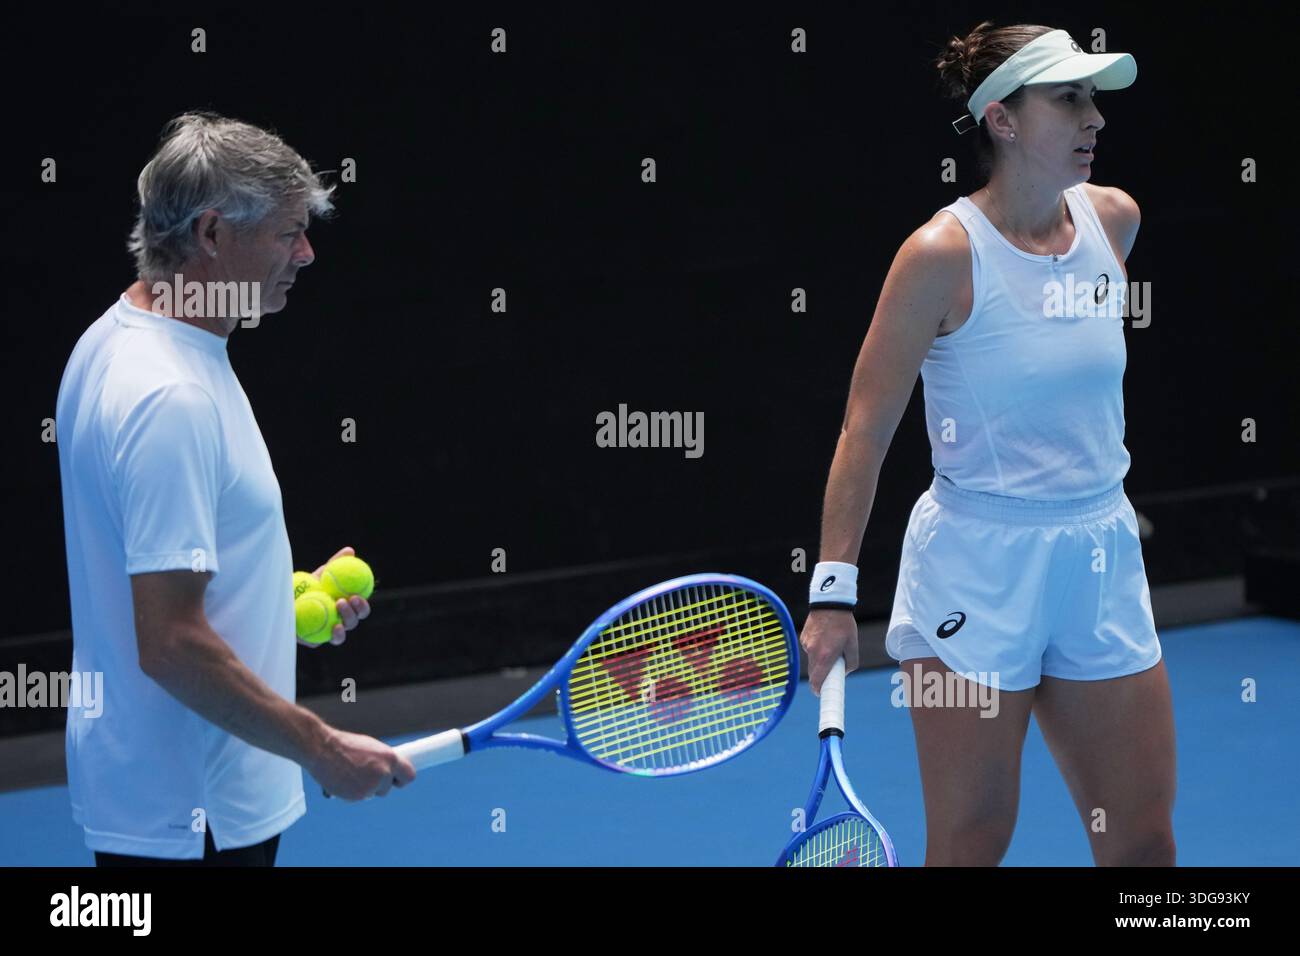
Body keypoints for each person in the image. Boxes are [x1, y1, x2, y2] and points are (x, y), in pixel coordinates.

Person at [799, 23, 1176, 866]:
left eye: (1094, 98)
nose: (1095, 119)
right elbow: (867, 424)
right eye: (1069, 98)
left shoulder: (1114, 221)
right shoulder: (939, 254)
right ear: (1002, 120)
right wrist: (831, 593)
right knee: (972, 841)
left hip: (1099, 556)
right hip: (973, 568)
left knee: (1144, 845)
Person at [55, 111, 416, 866]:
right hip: (199, 816)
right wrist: (322, 748)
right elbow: (173, 644)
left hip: (160, 797)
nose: (308, 254)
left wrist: (269, 603)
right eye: (289, 233)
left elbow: (154, 576)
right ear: (213, 235)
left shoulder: (118, 335)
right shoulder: (170, 396)